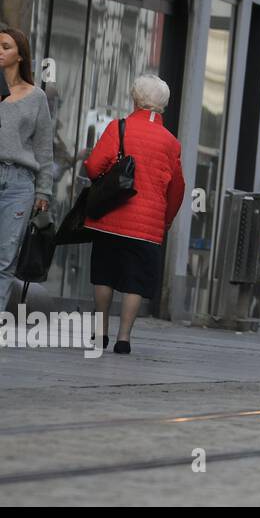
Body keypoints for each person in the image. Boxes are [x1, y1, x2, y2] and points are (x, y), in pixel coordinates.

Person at [85, 74, 185, 354]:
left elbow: (93, 167)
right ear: (163, 105)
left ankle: (100, 332)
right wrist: (166, 220)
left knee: (104, 275)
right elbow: (177, 188)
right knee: (135, 281)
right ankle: (124, 338)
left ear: (135, 98)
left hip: (110, 218)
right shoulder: (171, 143)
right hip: (147, 227)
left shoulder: (118, 128)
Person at [0, 26, 55, 312]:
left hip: (20, 183)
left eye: (5, 46)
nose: (0, 50)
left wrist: (43, 190)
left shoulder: (36, 98)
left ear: (20, 55)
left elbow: (44, 149)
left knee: (6, 257)